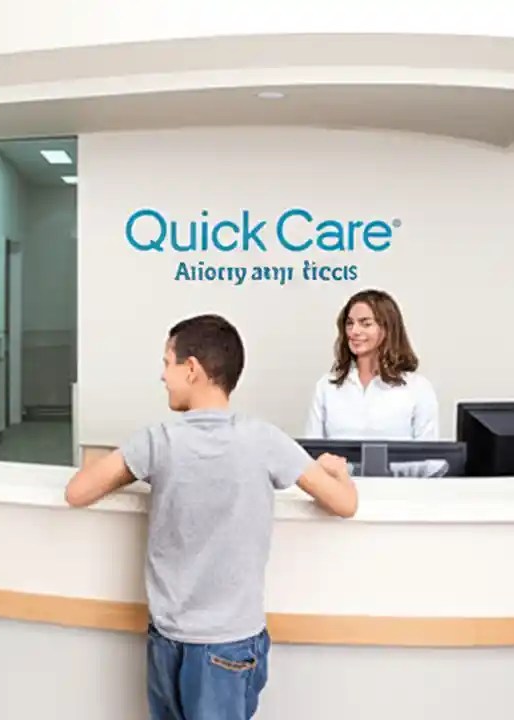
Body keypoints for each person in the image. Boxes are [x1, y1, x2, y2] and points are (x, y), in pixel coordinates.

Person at [64, 314, 357, 720]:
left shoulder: (157, 441)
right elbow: (344, 503)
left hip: (168, 640)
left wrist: (111, 458)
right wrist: (338, 471)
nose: (162, 376)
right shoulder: (265, 439)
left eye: (167, 363)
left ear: (191, 369)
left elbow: (77, 491)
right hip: (229, 645)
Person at [304, 288, 439, 440]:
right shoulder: (326, 386)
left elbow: (428, 452)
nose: (354, 331)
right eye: (350, 323)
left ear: (387, 329)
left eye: (366, 324)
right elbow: (312, 449)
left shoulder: (418, 388)